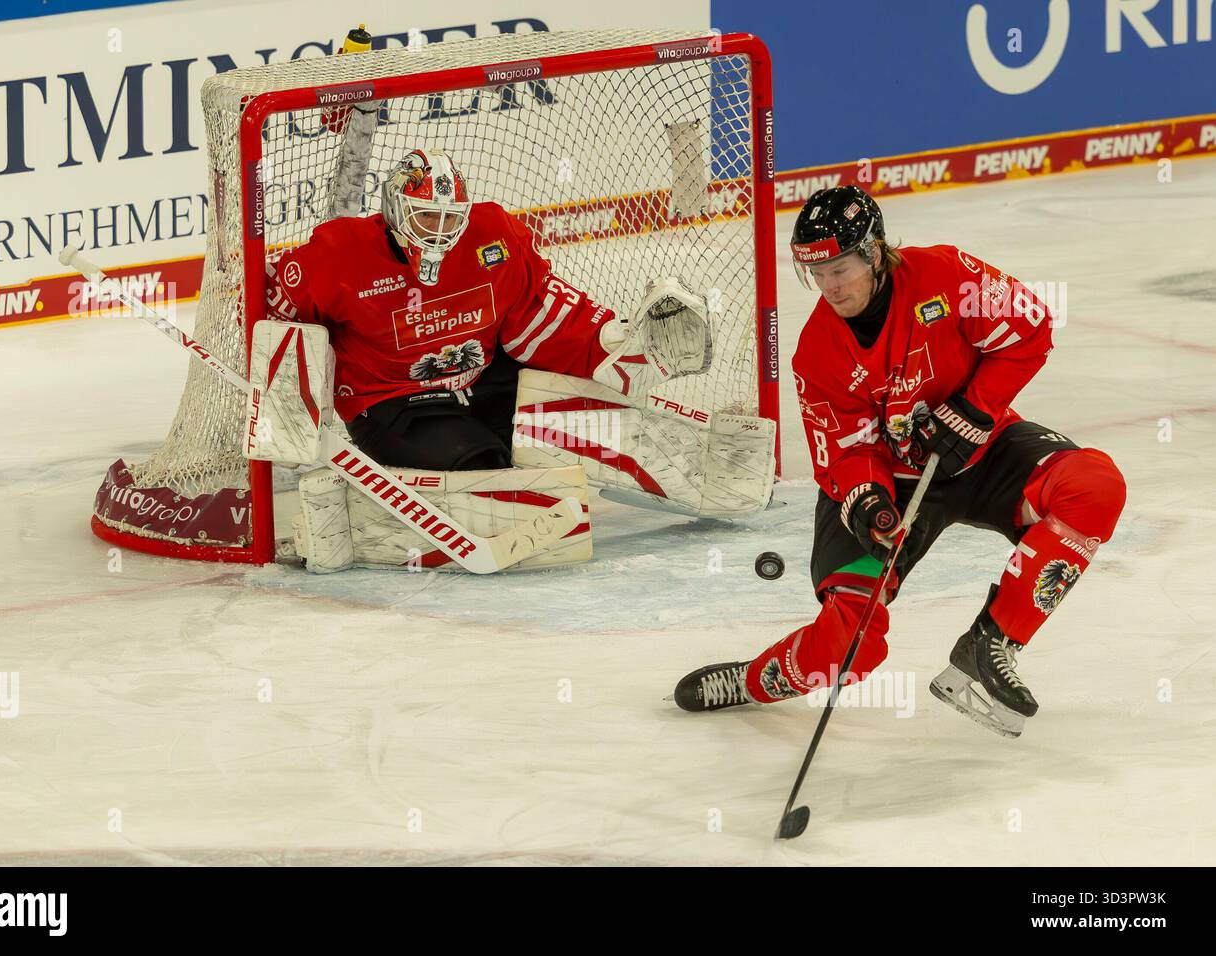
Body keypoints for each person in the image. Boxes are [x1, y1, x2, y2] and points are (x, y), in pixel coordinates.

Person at [672, 185, 1127, 737]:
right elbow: (845, 453)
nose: (829, 286)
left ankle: (991, 644)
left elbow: (1028, 332)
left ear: (872, 251)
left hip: (980, 451)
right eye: (817, 272)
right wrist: (869, 503)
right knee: (847, 648)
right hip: (894, 485)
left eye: (839, 267)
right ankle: (752, 681)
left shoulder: (945, 274)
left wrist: (974, 410)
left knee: (1094, 486)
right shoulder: (817, 351)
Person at [264, 148, 708, 473]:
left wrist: (607, 339)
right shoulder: (339, 255)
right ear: (396, 211)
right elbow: (276, 311)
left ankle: (642, 427)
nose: (440, 231)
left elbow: (532, 308)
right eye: (426, 217)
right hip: (391, 402)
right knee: (482, 464)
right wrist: (287, 411)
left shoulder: (491, 235)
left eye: (450, 217)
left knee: (570, 428)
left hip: (482, 379)